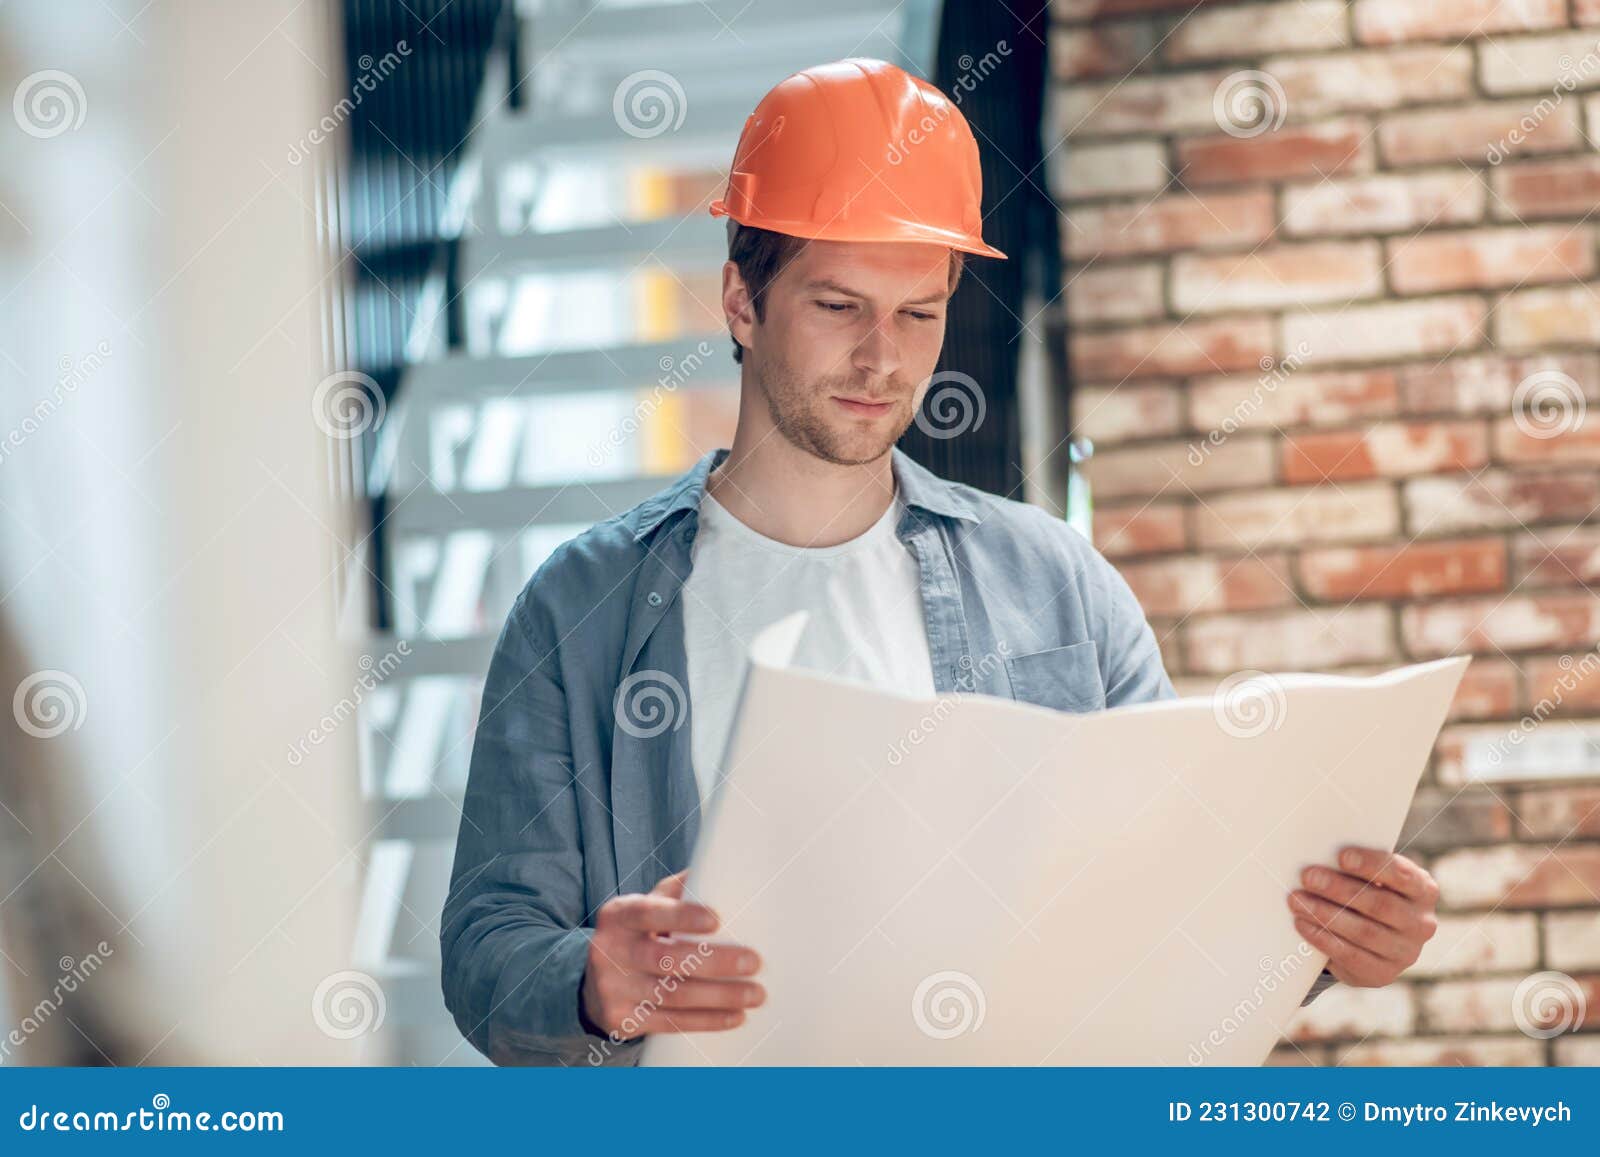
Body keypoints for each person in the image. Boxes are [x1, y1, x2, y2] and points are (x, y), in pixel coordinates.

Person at [440, 57, 1438, 1067]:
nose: (884, 358)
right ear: (741, 300)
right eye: (839, 307)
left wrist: (1323, 937)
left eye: (919, 312)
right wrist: (590, 981)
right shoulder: (583, 606)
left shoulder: (1056, 585)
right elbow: (487, 945)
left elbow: (1164, 895)